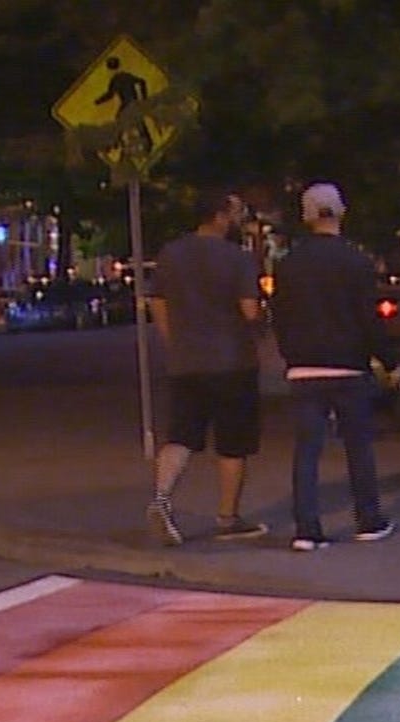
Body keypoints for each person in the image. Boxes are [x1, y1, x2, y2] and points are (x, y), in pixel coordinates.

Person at [269, 181, 393, 550]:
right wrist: (389, 360)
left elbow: (280, 316)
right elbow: (368, 320)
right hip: (348, 366)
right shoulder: (357, 261)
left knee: (306, 452)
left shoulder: (287, 265)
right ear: (340, 211)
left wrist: (290, 354)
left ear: (306, 217)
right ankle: (368, 519)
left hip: (304, 367)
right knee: (358, 445)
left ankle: (307, 530)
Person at [145, 189, 268, 545]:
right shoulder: (237, 258)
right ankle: (228, 518)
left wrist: (175, 342)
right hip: (233, 362)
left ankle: (162, 497)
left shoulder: (171, 254)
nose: (239, 218)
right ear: (220, 216)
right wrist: (263, 323)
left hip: (186, 362)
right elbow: (249, 310)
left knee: (181, 435)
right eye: (235, 212)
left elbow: (158, 303)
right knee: (233, 443)